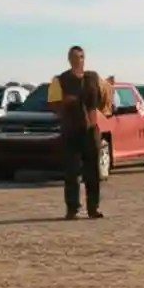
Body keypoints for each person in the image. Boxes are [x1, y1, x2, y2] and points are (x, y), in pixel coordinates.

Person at [47, 46, 111, 220]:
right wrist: (65, 103)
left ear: (85, 58)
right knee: (71, 172)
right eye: (75, 57)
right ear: (69, 59)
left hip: (91, 131)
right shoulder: (60, 80)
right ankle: (72, 208)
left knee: (93, 173)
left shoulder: (93, 78)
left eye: (81, 56)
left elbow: (106, 96)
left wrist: (103, 111)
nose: (78, 60)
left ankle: (93, 208)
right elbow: (52, 104)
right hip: (71, 130)